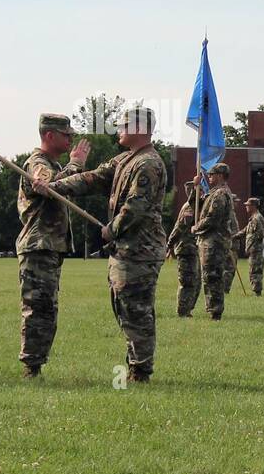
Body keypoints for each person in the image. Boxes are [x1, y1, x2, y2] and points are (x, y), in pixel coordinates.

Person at [42, 106, 167, 382]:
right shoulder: (125, 160)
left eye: (123, 125)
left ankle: (140, 371)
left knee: (137, 311)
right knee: (123, 307)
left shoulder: (148, 163)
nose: (118, 130)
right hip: (125, 251)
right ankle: (135, 366)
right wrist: (55, 186)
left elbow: (137, 206)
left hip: (140, 251)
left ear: (139, 128)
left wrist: (113, 229)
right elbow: (93, 178)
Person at [16, 113, 91, 377]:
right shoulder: (38, 163)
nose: (71, 138)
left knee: (46, 307)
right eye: (66, 134)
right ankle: (31, 368)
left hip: (48, 247)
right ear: (49, 135)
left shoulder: (51, 163)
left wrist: (70, 166)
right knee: (38, 308)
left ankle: (35, 365)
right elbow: (50, 187)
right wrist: (75, 165)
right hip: (39, 246)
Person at [192, 162, 234, 320]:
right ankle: (213, 310)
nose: (209, 177)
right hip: (211, 241)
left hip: (214, 242)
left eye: (212, 174)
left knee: (212, 277)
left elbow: (212, 218)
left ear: (221, 176)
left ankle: (215, 312)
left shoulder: (220, 194)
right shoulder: (215, 192)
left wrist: (196, 228)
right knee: (209, 276)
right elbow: (195, 204)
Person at [167, 184, 200, 317]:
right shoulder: (189, 207)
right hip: (185, 248)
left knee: (195, 282)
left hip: (192, 249)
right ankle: (183, 311)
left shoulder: (197, 206)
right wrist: (170, 244)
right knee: (187, 282)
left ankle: (187, 309)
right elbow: (179, 228)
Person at [237, 197, 264, 295]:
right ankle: (256, 291)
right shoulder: (253, 218)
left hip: (256, 250)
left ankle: (257, 293)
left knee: (255, 271)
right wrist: (234, 236)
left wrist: (253, 244)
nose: (246, 207)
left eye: (248, 205)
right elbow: (246, 230)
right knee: (253, 270)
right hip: (253, 249)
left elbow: (262, 233)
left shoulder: (257, 218)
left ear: (253, 206)